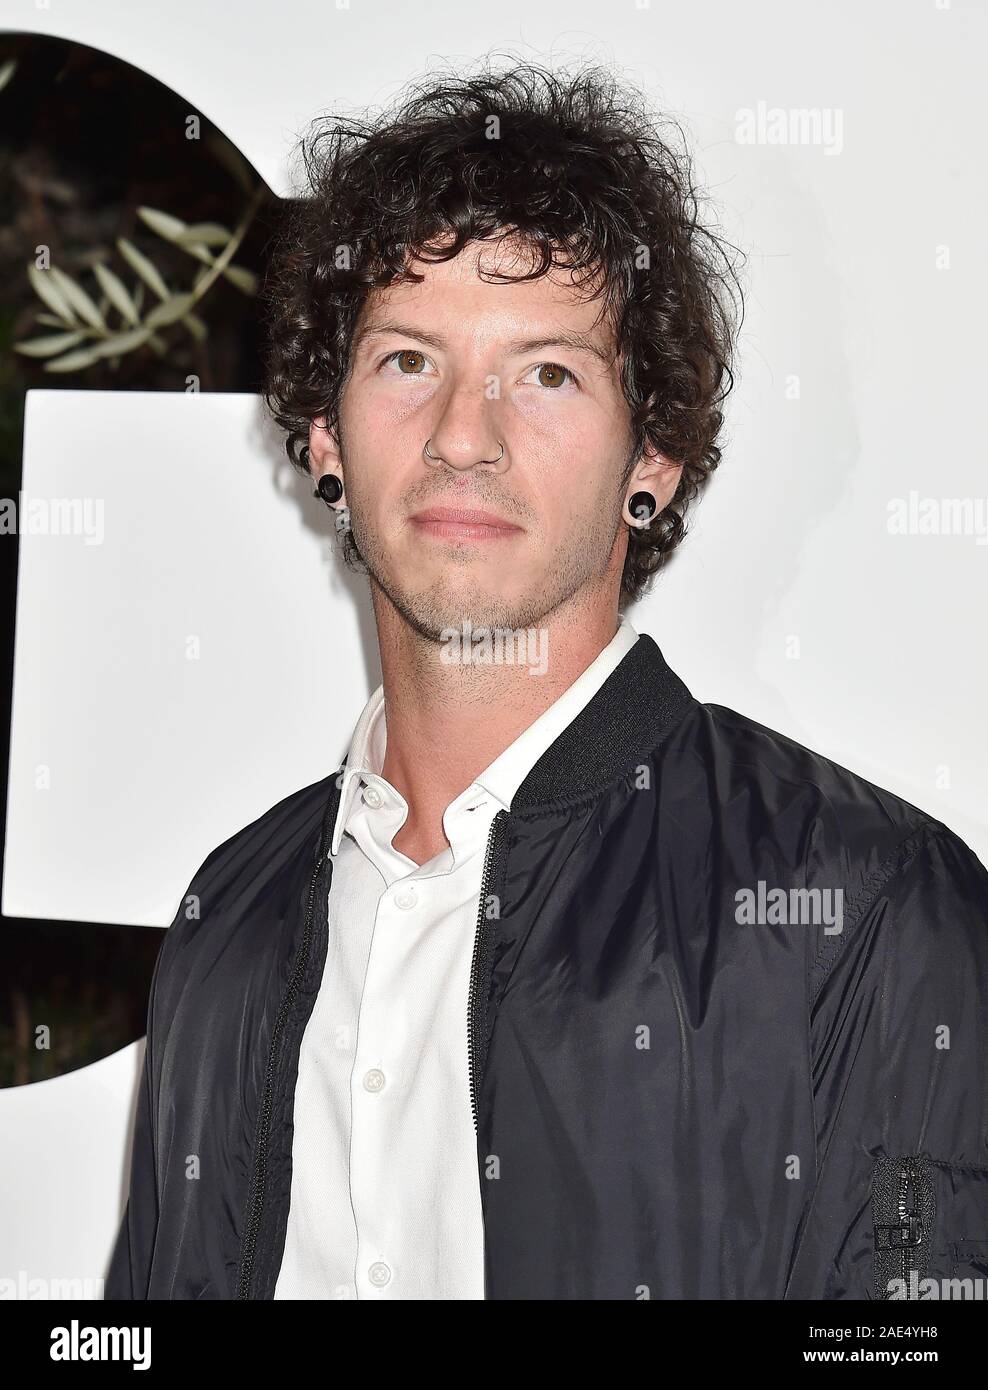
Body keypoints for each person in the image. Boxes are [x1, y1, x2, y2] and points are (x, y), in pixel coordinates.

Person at [105, 60, 988, 1301]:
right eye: (409, 361)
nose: (465, 434)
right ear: (324, 436)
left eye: (549, 373)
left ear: (656, 459)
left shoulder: (872, 907)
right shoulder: (230, 914)